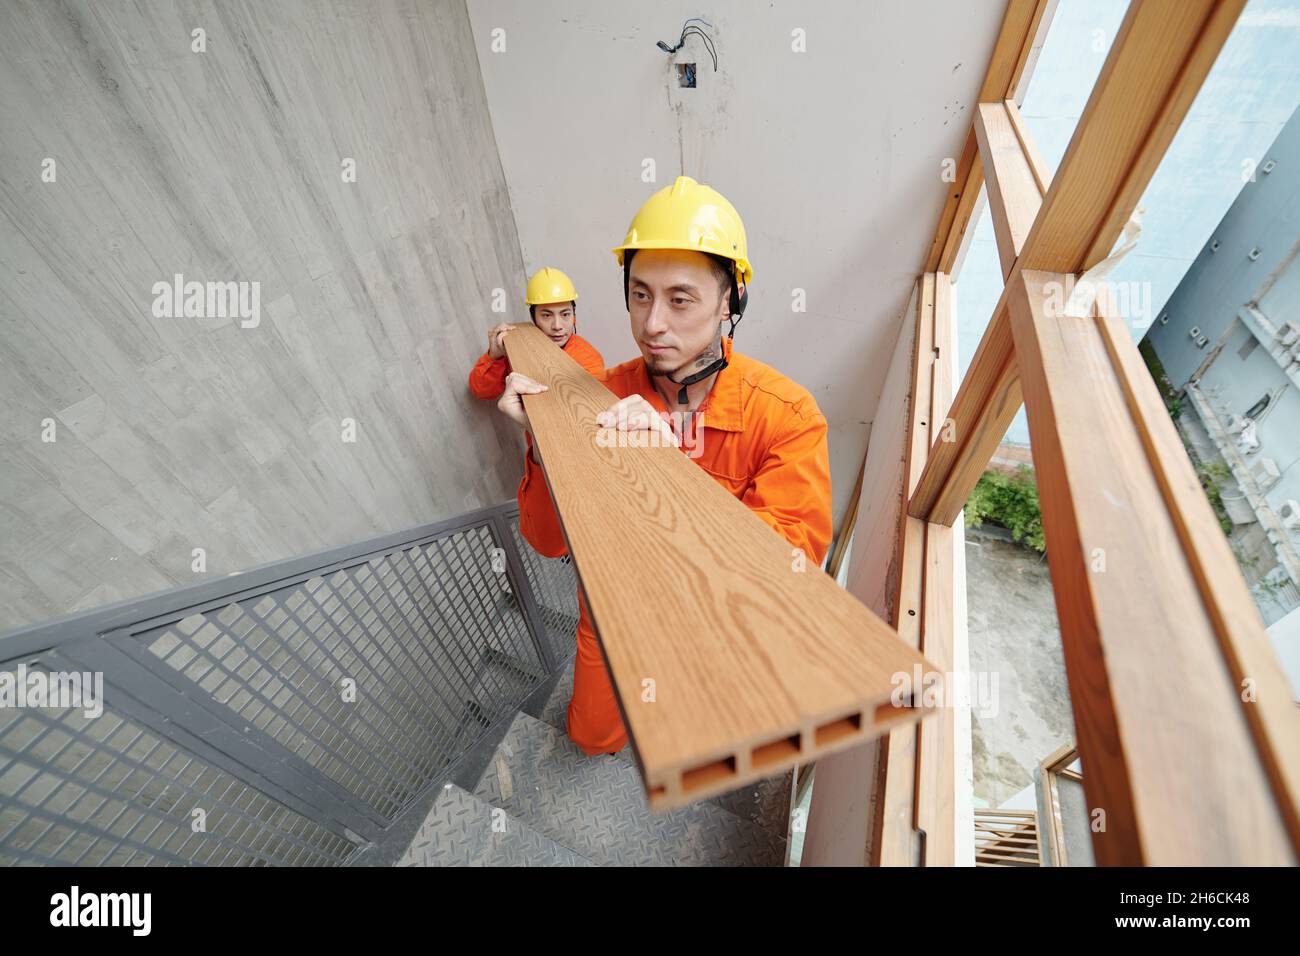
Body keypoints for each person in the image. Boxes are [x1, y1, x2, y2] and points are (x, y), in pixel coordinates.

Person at [495, 176, 833, 758]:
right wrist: (542, 443)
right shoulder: (599, 396)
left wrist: (673, 472)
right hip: (613, 611)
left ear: (731, 300)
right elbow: (547, 542)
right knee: (591, 737)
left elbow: (787, 578)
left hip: (711, 628)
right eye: (641, 294)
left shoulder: (786, 416)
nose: (653, 324)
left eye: (681, 299)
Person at [467, 266, 603, 400]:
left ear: (574, 316)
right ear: (534, 318)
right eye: (546, 316)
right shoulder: (517, 348)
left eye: (565, 314)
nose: (557, 326)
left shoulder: (588, 359)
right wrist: (494, 357)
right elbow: (481, 391)